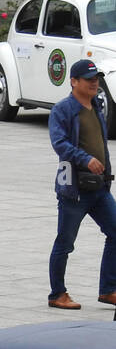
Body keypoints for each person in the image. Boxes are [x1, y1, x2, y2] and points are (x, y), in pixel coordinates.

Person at [48, 59, 116, 310]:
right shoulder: (63, 109)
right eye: (88, 79)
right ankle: (57, 294)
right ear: (73, 82)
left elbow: (101, 143)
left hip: (99, 188)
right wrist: (85, 159)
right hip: (74, 189)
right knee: (65, 243)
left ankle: (108, 289)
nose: (94, 82)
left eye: (96, 78)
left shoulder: (97, 104)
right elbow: (60, 144)